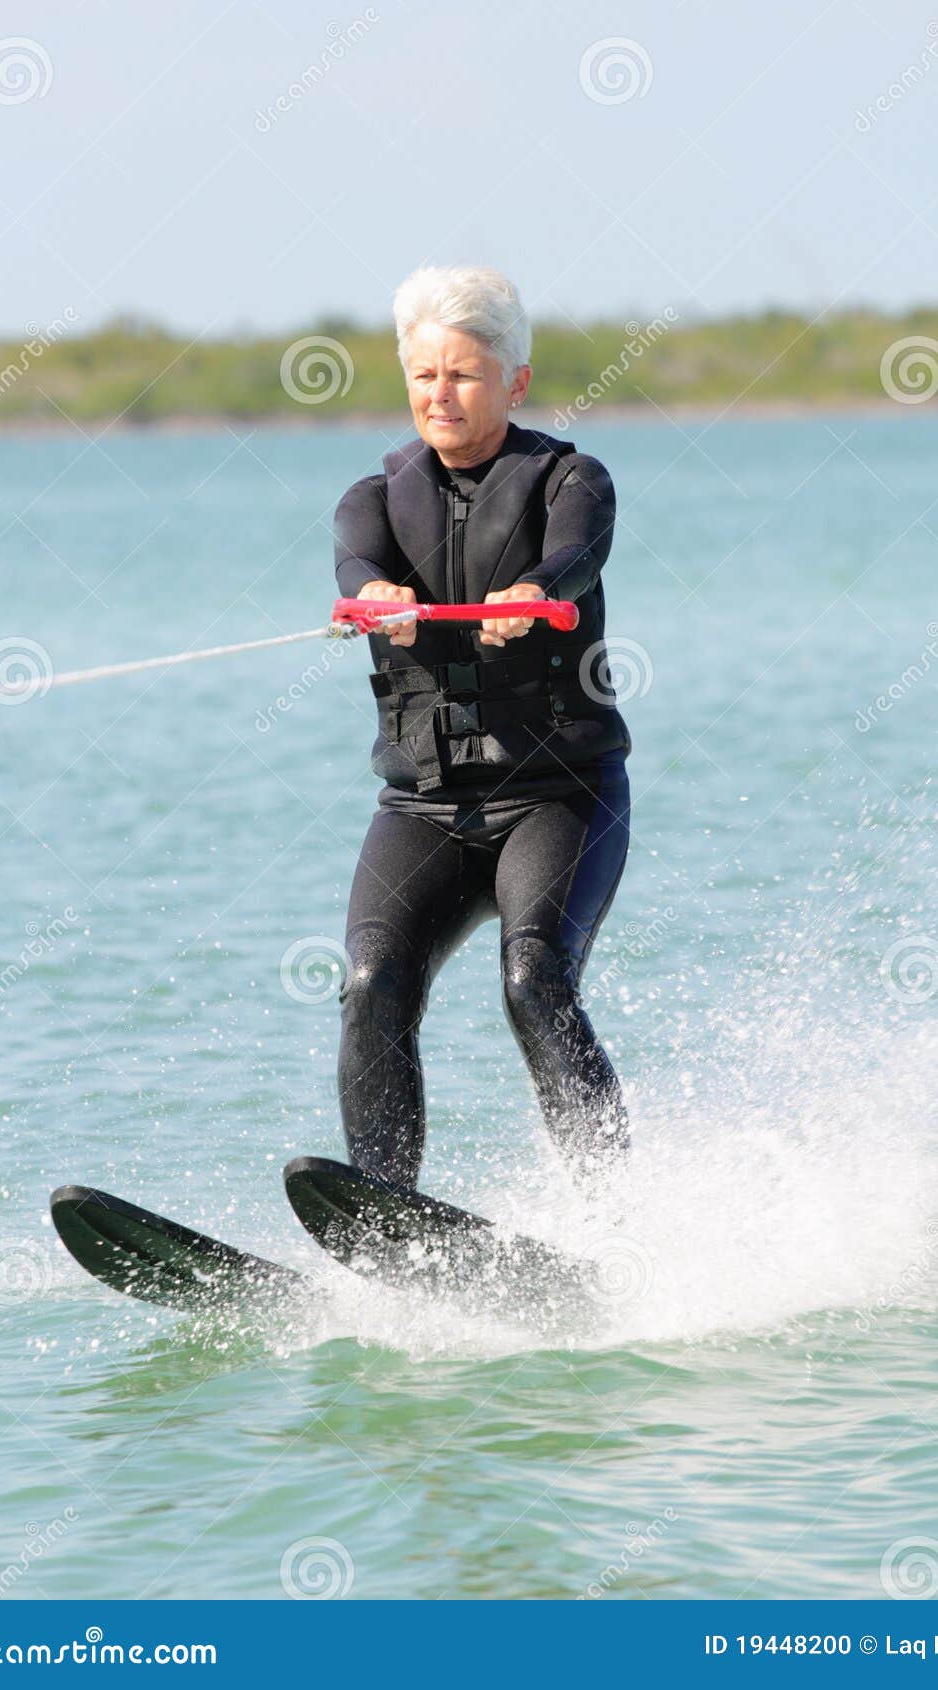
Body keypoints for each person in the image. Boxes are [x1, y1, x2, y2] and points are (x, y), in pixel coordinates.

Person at [333, 264, 632, 1191]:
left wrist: (535, 591)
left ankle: (612, 1213)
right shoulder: (372, 500)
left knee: (533, 978)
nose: (440, 394)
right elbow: (354, 567)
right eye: (424, 375)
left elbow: (576, 552)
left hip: (558, 795)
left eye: (462, 374)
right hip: (422, 805)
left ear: (515, 382)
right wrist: (373, 594)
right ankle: (386, 1219)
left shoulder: (570, 482)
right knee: (371, 983)